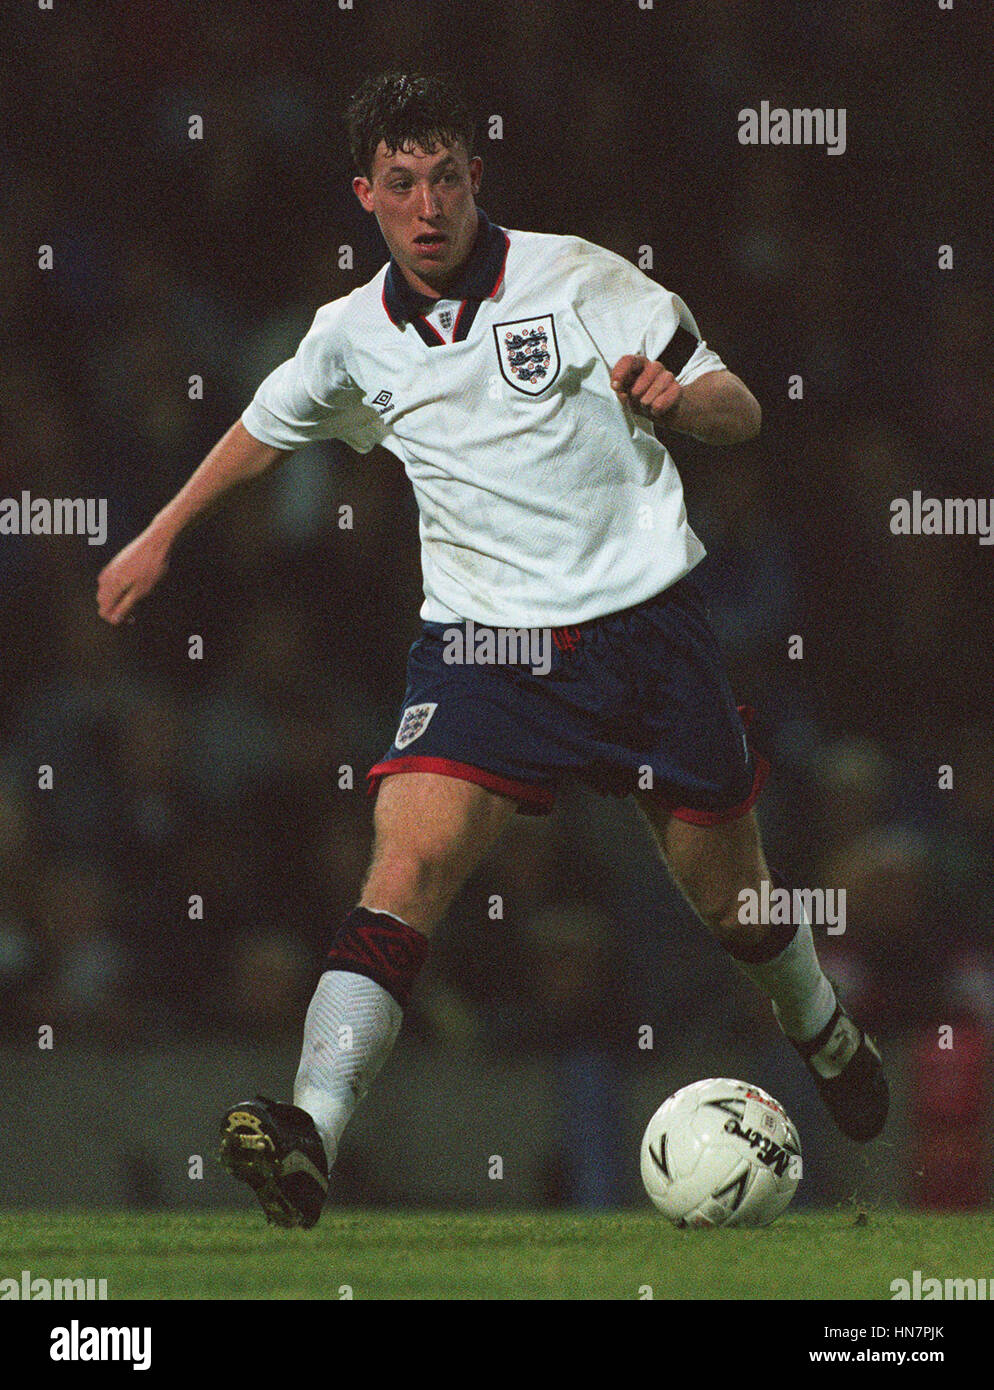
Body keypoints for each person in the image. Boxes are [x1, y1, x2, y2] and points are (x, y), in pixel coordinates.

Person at [97, 71, 887, 1228]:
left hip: (644, 637)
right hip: (480, 650)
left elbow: (741, 406)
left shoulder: (580, 278)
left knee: (737, 912)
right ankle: (312, 1131)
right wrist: (162, 534)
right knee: (405, 869)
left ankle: (820, 1026)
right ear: (365, 195)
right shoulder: (347, 336)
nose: (429, 207)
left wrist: (676, 400)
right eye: (403, 184)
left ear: (478, 178)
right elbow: (264, 429)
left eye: (448, 178)